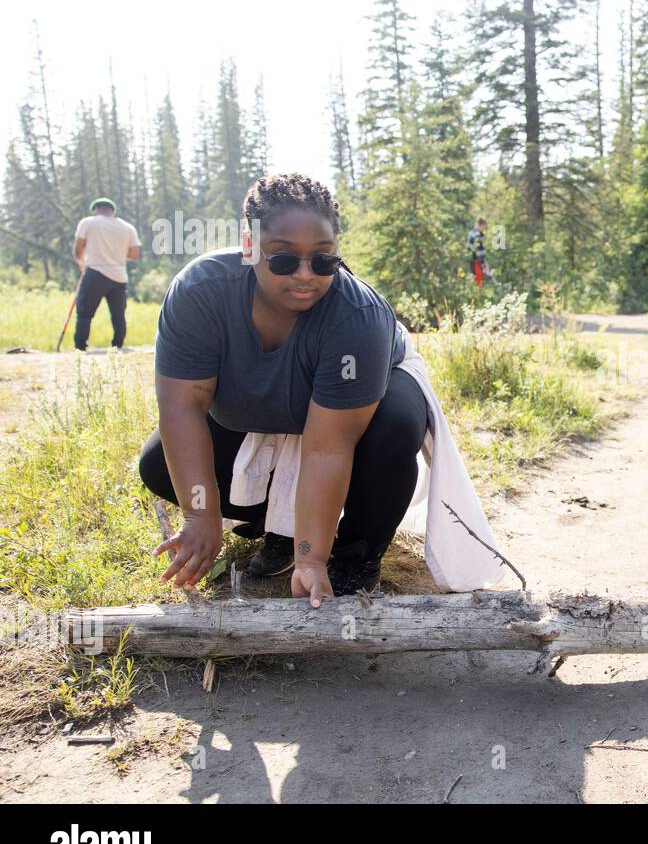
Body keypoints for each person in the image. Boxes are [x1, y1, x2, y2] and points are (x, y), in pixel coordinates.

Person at [137, 173, 502, 607]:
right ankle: (274, 530)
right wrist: (200, 513)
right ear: (249, 245)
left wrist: (312, 559)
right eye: (285, 260)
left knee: (393, 429)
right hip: (265, 409)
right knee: (160, 464)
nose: (306, 276)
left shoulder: (357, 316)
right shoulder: (200, 292)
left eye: (323, 260)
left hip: (362, 401)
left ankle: (354, 552)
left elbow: (327, 448)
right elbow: (183, 406)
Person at [72, 197, 141, 350]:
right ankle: (117, 346)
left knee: (84, 313)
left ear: (97, 209)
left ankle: (80, 347)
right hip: (119, 276)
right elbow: (135, 254)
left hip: (95, 272)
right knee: (118, 315)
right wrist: (117, 254)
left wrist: (81, 263)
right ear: (113, 211)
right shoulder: (127, 227)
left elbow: (78, 248)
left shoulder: (88, 222)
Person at [466, 217, 493, 287]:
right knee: (478, 282)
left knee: (473, 280)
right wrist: (483, 264)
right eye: (484, 227)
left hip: (471, 261)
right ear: (480, 225)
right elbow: (478, 250)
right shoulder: (476, 235)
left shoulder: (471, 233)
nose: (484, 229)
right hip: (476, 261)